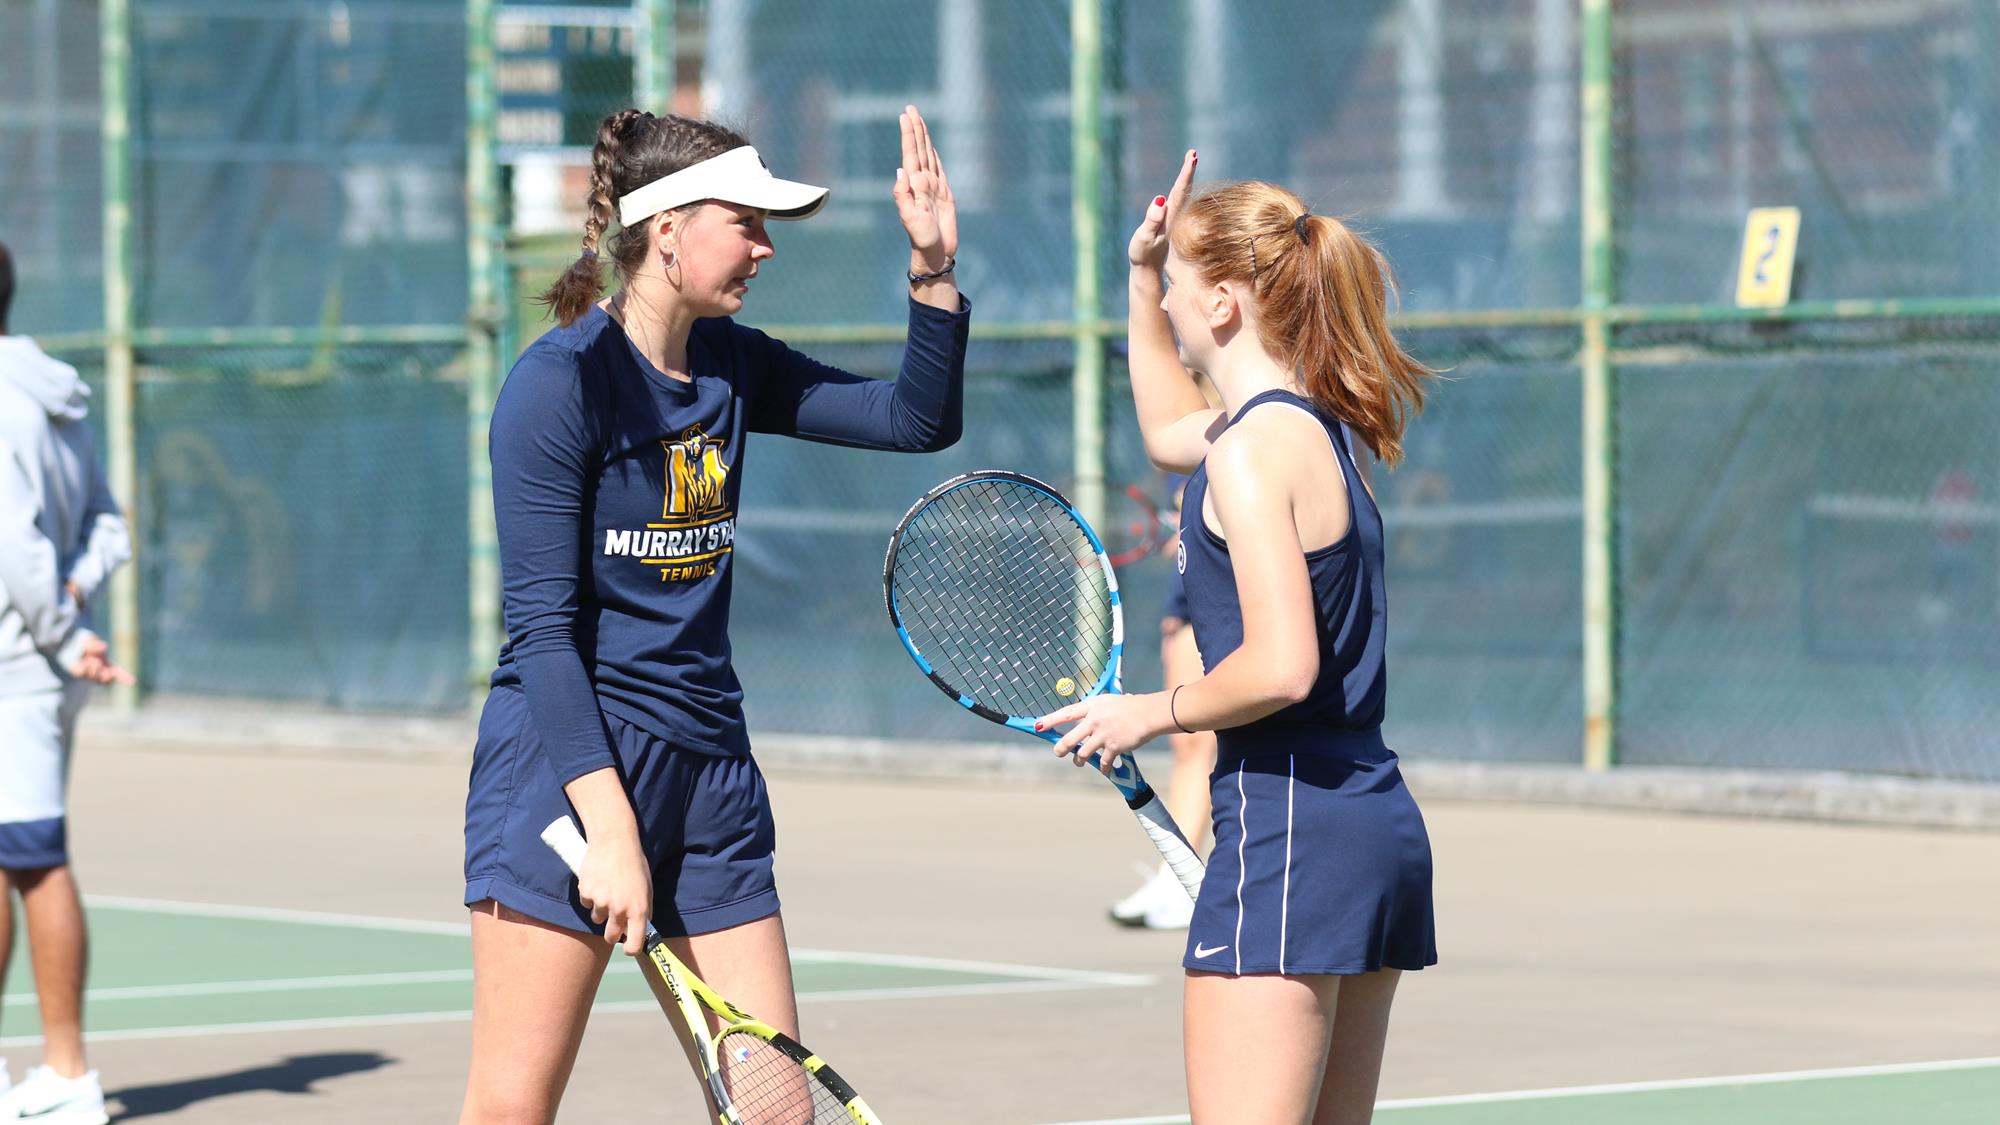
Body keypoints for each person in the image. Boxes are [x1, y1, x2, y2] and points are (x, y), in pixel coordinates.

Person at [458, 106, 966, 1124]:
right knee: (513, 1107)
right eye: (746, 223)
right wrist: (608, 831)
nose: (765, 246)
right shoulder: (556, 388)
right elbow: (545, 638)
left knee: (776, 1110)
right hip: (573, 769)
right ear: (670, 227)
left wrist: (931, 272)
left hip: (710, 772)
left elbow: (915, 420)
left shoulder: (731, 360)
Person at [1038, 152, 1437, 1123]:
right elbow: (1167, 426)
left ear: (1221, 305)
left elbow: (1280, 662)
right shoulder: (1306, 431)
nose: (1168, 307)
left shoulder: (1251, 457)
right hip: (1365, 824)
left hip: (1286, 823)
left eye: (1176, 288)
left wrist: (1150, 712)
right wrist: (1140, 276)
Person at [0, 238, 133, 1125]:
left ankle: (69, 1075)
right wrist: (75, 609)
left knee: (36, 858)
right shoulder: (49, 392)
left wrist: (59, 626)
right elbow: (106, 527)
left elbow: (16, 546)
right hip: (41, 658)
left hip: (18, 670)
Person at [1106, 468, 1216, 931]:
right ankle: (1181, 876)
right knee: (1190, 749)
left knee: (1205, 747)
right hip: (1187, 606)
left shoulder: (1236, 429)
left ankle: (1186, 879)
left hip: (1212, 607)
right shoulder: (1182, 455)